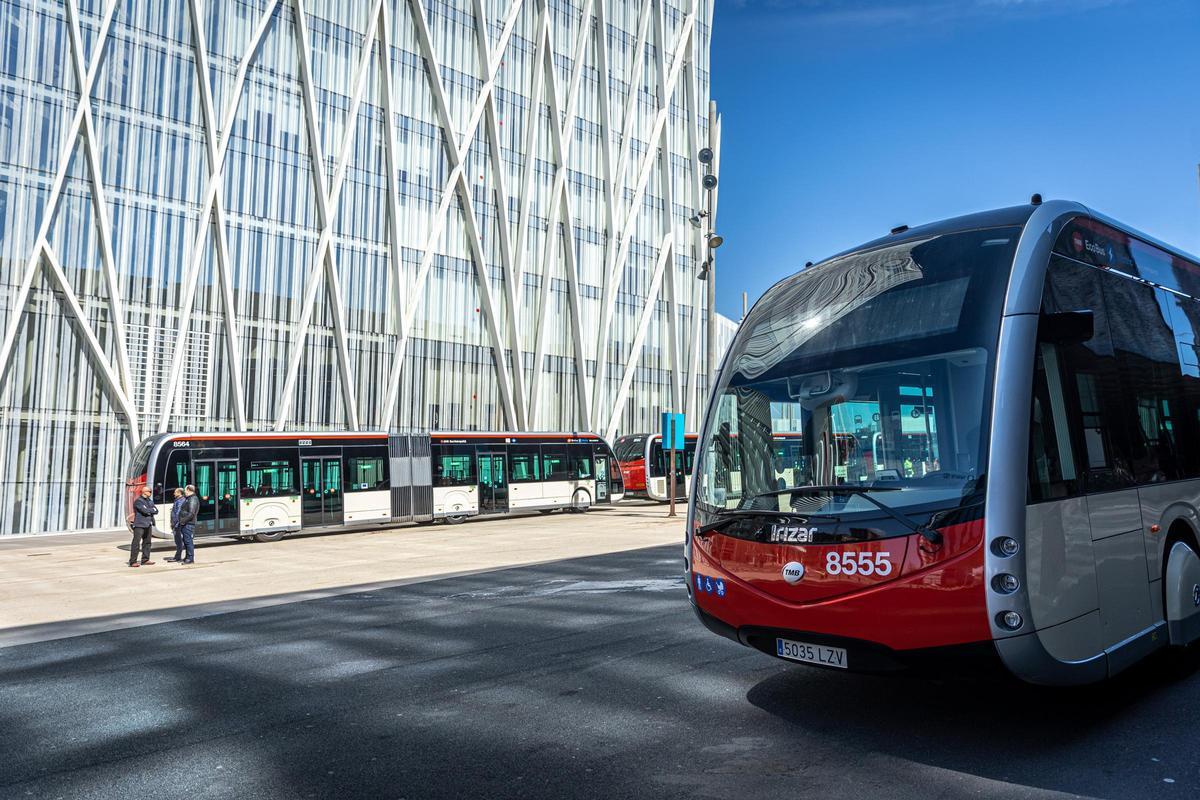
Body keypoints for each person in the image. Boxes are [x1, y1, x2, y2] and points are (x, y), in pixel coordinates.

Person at [126, 486, 157, 567]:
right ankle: (133, 561)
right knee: (136, 543)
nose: (151, 493)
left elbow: (156, 510)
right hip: (139, 525)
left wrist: (150, 510)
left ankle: (145, 559)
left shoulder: (150, 501)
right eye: (149, 491)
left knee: (147, 543)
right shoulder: (138, 501)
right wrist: (151, 510)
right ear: (144, 492)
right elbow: (145, 511)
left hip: (148, 524)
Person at [176, 484, 200, 565]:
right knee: (186, 541)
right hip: (186, 523)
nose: (184, 492)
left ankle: (190, 558)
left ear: (189, 490)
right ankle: (187, 557)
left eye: (185, 490)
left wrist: (183, 521)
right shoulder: (189, 498)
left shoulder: (193, 499)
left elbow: (191, 513)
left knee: (188, 541)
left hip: (188, 523)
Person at [166, 488, 186, 562]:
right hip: (176, 523)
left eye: (175, 492)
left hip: (177, 524)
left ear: (180, 493)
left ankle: (178, 557)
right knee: (178, 541)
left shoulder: (180, 501)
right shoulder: (178, 500)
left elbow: (178, 513)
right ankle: (177, 556)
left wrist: (174, 523)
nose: (174, 493)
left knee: (179, 541)